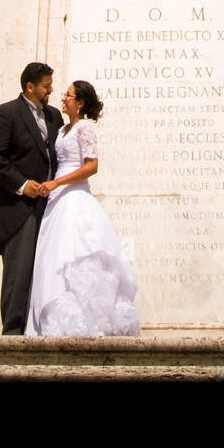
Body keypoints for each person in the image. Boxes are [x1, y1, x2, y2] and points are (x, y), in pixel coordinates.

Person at [25, 80, 141, 337]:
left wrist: (57, 182)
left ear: (81, 103)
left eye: (68, 95)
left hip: (74, 197)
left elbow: (91, 166)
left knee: (76, 254)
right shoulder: (64, 129)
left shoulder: (85, 128)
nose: (63, 98)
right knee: (55, 258)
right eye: (64, 94)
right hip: (57, 201)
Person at [0, 62, 63, 335]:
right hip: (18, 208)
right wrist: (22, 185)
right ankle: (13, 334)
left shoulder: (54, 116)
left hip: (50, 205)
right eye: (46, 85)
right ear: (30, 86)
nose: (50, 90)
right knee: (19, 273)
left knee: (47, 270)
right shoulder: (6, 113)